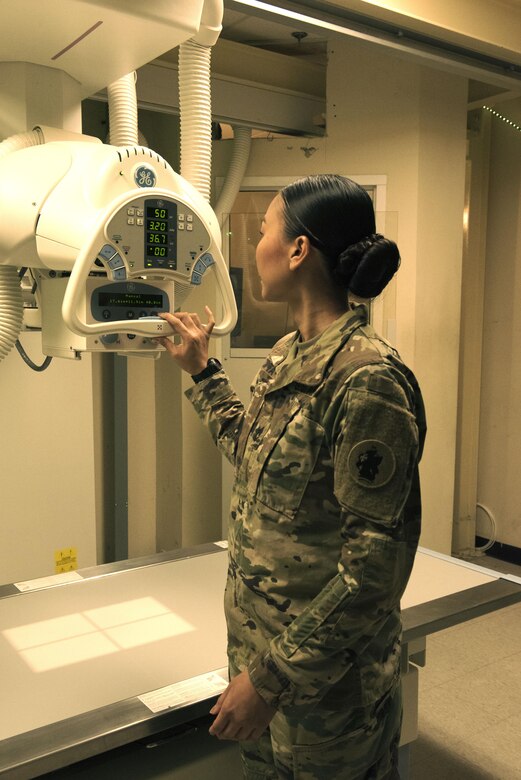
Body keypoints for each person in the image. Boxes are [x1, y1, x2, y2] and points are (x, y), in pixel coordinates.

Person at [159, 174, 426, 780]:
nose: (253, 247)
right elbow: (256, 458)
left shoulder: (366, 382)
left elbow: (374, 573)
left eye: (261, 232)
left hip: (327, 698)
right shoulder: (287, 355)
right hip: (267, 668)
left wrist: (272, 680)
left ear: (299, 249)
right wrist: (204, 375)